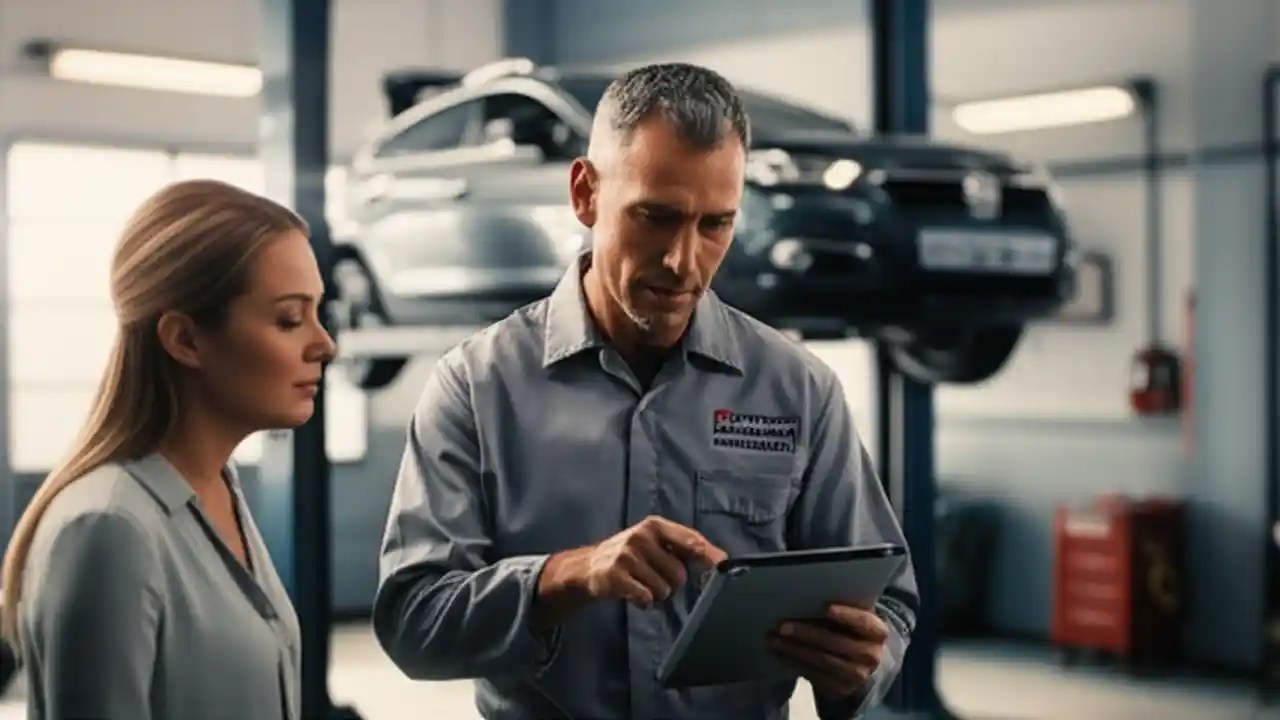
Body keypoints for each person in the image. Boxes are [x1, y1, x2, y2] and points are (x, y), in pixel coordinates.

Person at [375, 62, 918, 719]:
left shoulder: (799, 391)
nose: (683, 261)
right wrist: (565, 577)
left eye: (715, 224)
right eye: (655, 218)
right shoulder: (476, 386)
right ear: (585, 193)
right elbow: (413, 621)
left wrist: (861, 665)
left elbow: (889, 602)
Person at [0, 179, 337, 720]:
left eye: (317, 313)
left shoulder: (216, 488)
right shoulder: (108, 528)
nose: (325, 344)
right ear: (185, 340)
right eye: (289, 319)